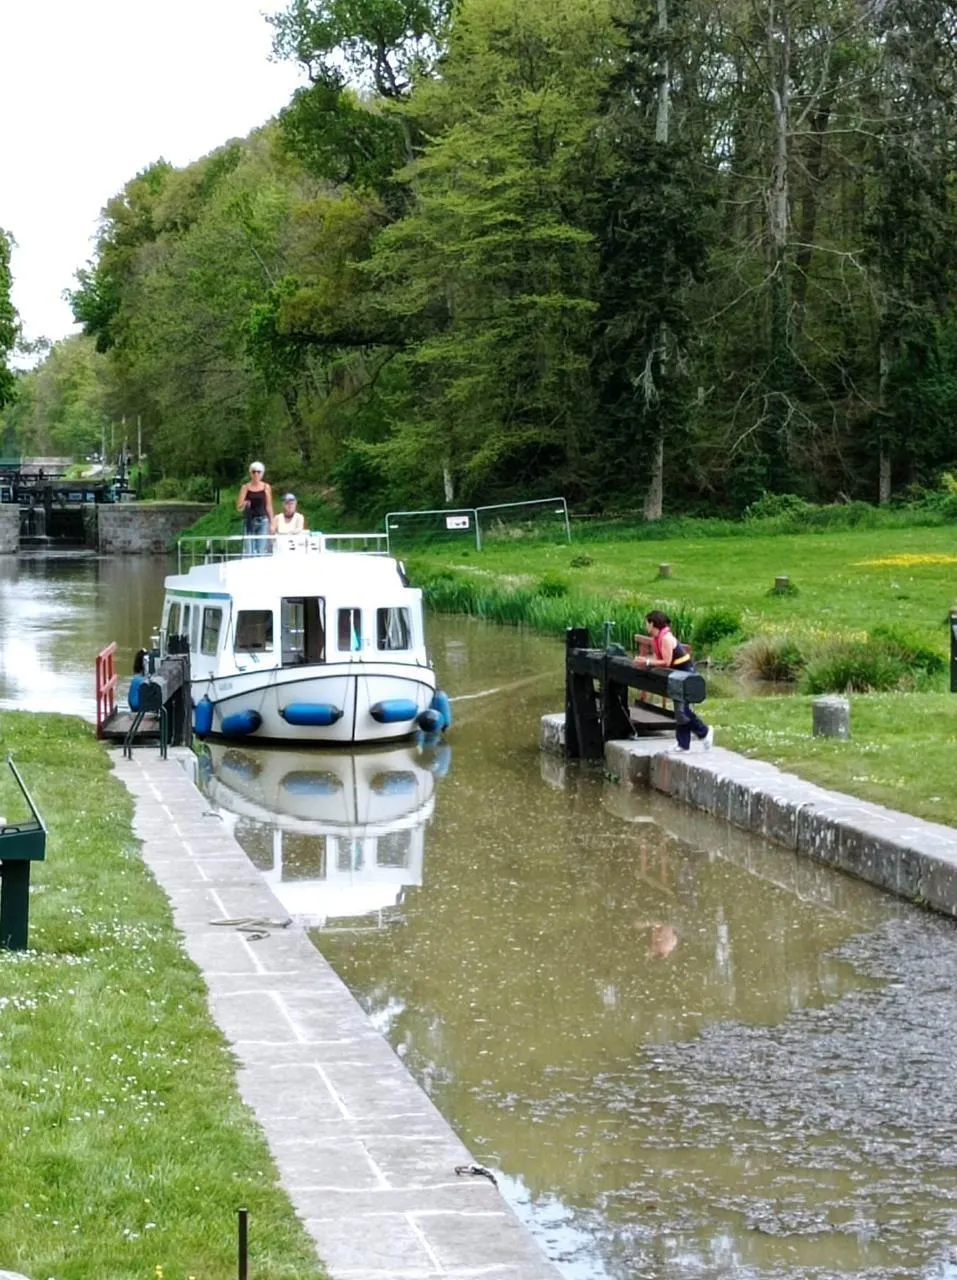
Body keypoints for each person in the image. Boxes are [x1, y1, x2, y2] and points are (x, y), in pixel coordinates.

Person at [635, 609, 713, 753]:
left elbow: (666, 661)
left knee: (682, 710)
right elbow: (660, 660)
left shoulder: (665, 638)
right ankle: (683, 744)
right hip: (677, 675)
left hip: (686, 675)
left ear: (653, 624)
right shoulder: (656, 639)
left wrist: (647, 662)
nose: (646, 626)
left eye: (647, 623)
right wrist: (645, 661)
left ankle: (704, 731)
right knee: (680, 711)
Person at [236, 461, 273, 555]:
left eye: (258, 472)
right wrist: (244, 503)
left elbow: (269, 506)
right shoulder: (245, 488)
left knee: (261, 549)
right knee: (249, 550)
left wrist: (272, 522)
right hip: (249, 521)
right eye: (253, 472)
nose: (256, 474)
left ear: (262, 473)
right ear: (250, 473)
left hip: (263, 521)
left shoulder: (266, 487)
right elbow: (238, 507)